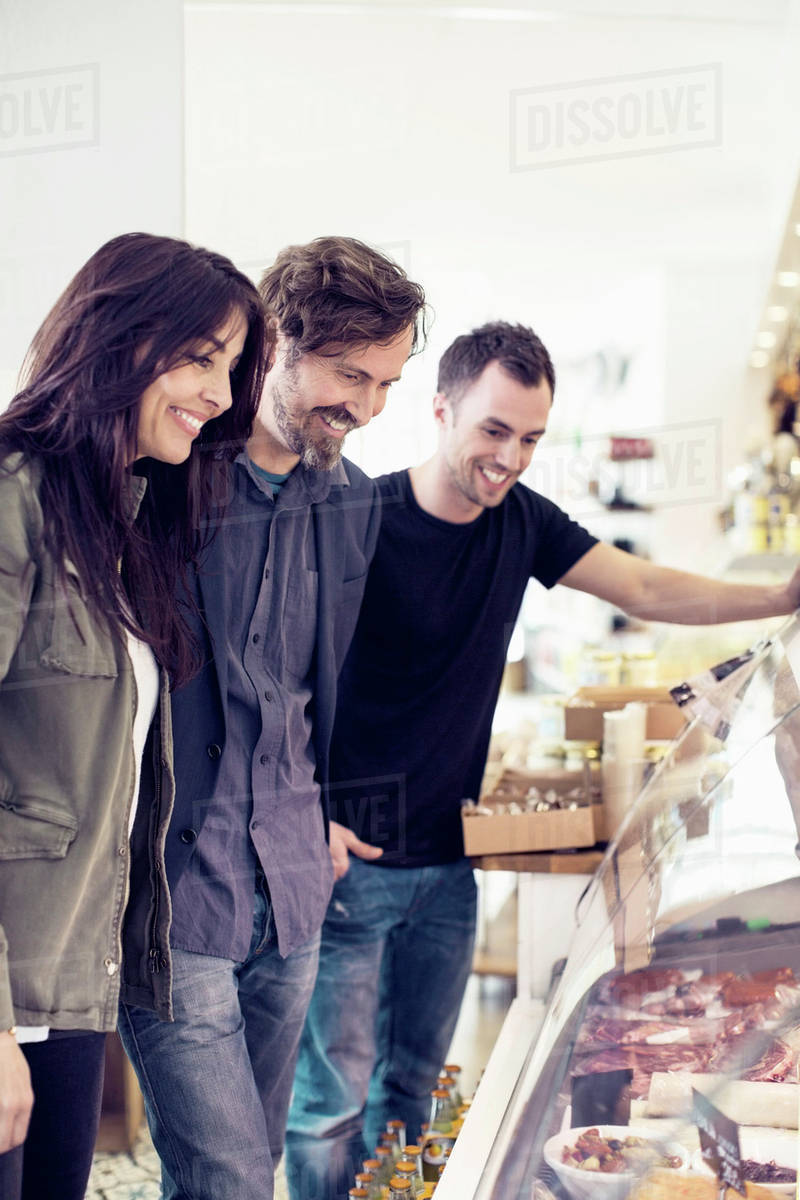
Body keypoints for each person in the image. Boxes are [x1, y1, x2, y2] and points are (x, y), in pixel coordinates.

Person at [285, 320, 800, 1200]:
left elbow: (641, 586)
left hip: (451, 869)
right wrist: (308, 814)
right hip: (350, 869)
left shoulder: (521, 523)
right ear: (441, 409)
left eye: (529, 438)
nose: (510, 457)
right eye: (493, 430)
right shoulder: (358, 518)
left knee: (410, 1088)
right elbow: (283, 678)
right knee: (330, 1103)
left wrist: (782, 596)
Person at [118, 236, 427, 1200]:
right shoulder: (163, 477)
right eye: (349, 374)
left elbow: (310, 691)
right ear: (279, 339)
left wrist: (324, 813)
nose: (369, 406)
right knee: (234, 1180)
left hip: (293, 897)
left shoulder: (353, 501)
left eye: (387, 382)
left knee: (240, 1177)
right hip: (177, 894)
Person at [0, 231, 269, 1200]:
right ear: (119, 336)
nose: (218, 391)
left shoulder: (120, 521)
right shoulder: (13, 495)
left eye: (231, 368)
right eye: (200, 358)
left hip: (73, 992)